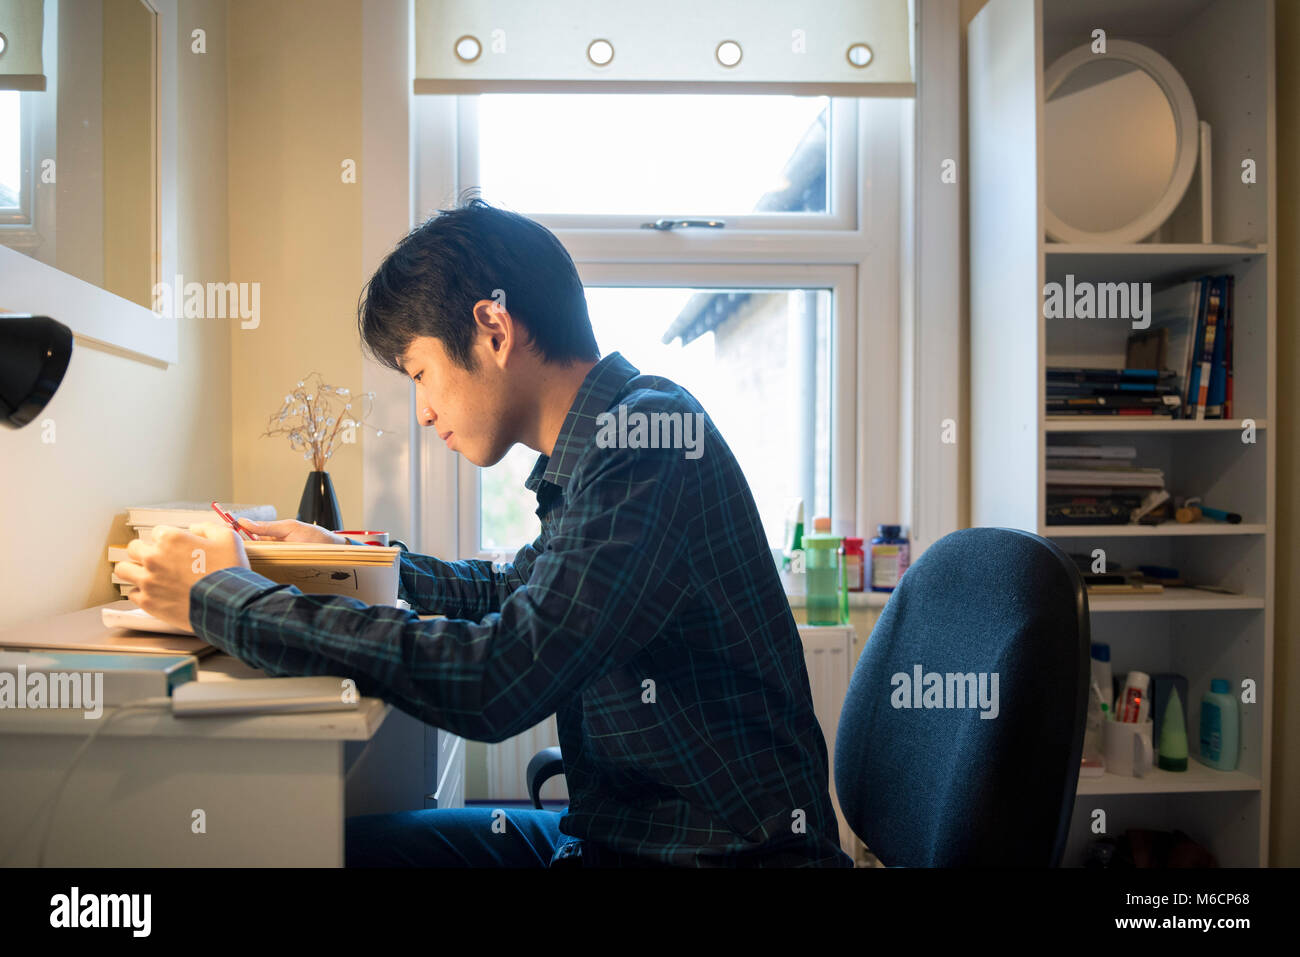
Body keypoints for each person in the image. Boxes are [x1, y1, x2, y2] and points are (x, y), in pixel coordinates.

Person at [117, 194, 852, 868]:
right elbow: (513, 588)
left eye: (418, 373)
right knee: (350, 849)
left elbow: (500, 676)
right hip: (621, 834)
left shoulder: (646, 440)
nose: (423, 409)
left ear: (493, 329)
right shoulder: (609, 440)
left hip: (714, 858)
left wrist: (220, 595)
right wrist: (352, 556)